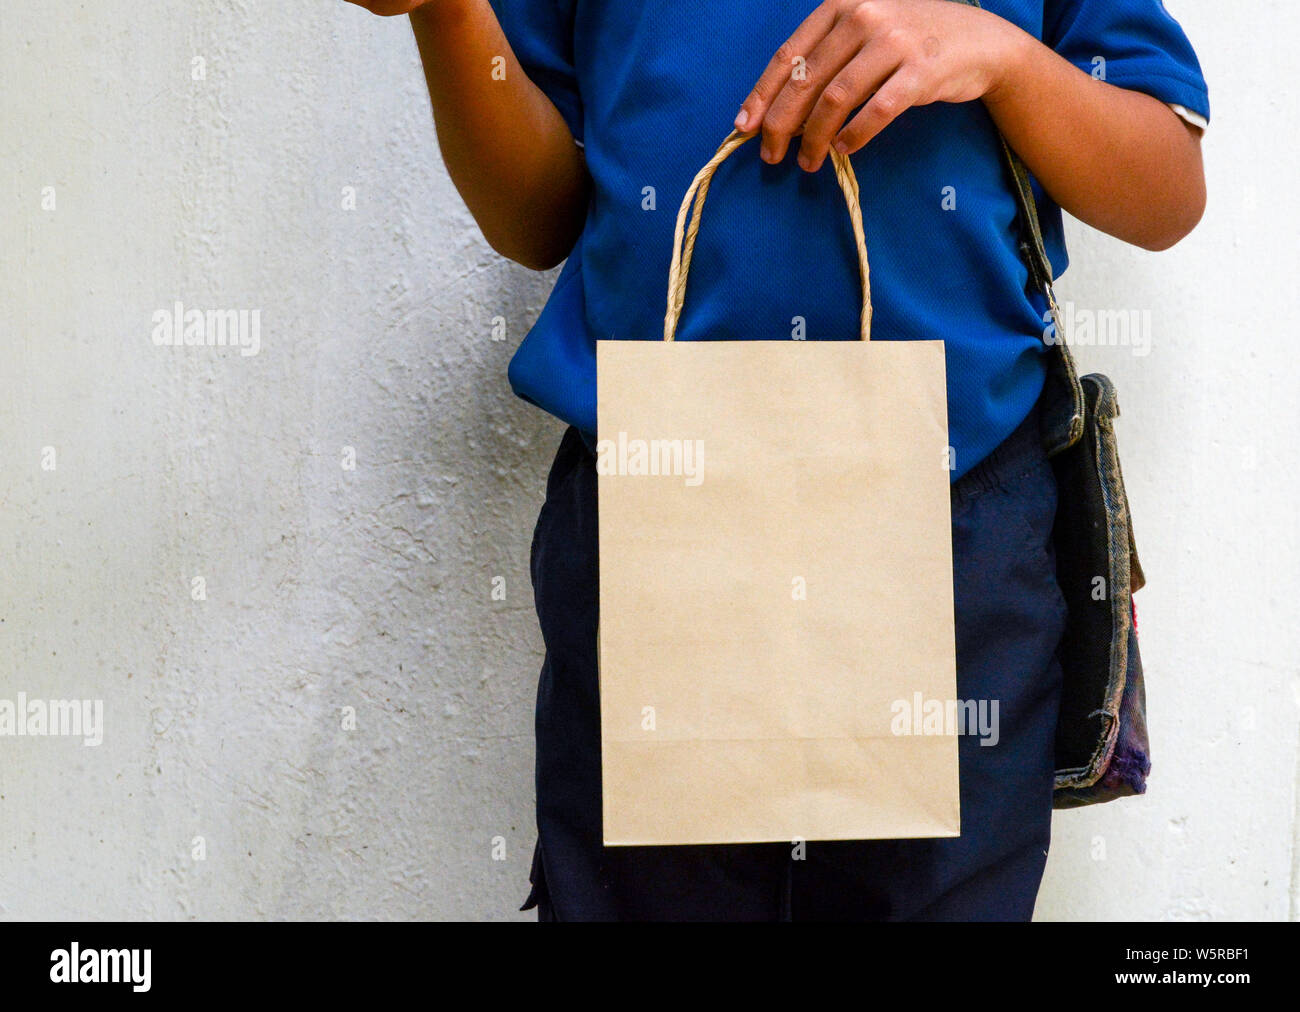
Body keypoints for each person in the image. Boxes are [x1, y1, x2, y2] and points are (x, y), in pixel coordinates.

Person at [342, 0, 1209, 921]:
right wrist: (446, 12)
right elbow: (535, 217)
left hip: (955, 531)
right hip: (652, 524)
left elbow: (1165, 190)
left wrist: (999, 54)